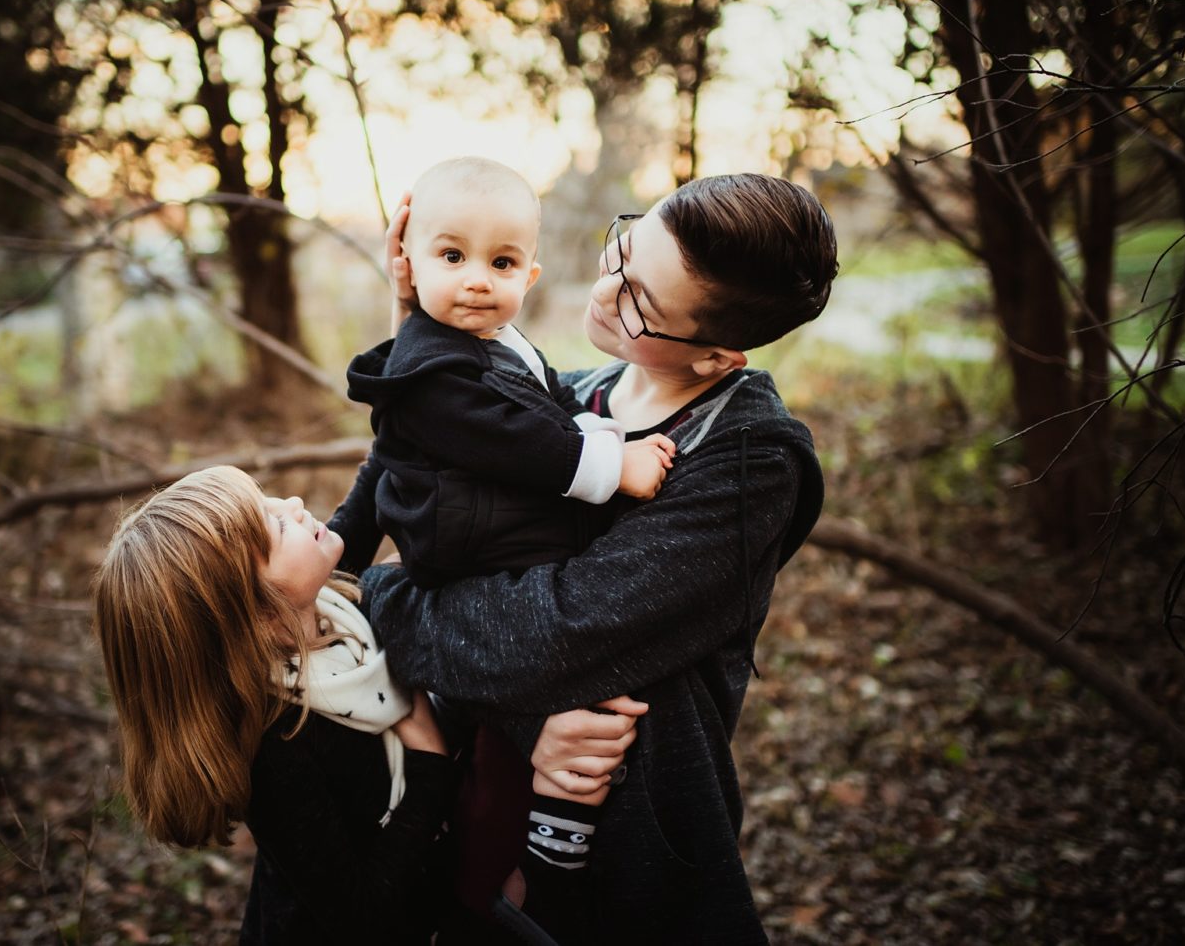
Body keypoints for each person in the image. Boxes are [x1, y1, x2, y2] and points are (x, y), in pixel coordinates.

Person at [345, 173, 839, 943]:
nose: (608, 288)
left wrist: (380, 594)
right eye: (624, 251)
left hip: (623, 848)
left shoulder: (747, 463)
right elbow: (423, 458)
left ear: (715, 357)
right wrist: (421, 322)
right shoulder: (575, 395)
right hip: (484, 795)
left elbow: (557, 630)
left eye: (641, 299)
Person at [90, 465, 640, 944]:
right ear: (255, 616)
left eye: (271, 500)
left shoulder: (329, 610)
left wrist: (410, 390)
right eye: (276, 525)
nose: (296, 505)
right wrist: (425, 760)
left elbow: (365, 498)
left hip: (442, 891)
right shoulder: (277, 748)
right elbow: (363, 920)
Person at [342, 156, 677, 590]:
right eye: (452, 256)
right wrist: (614, 467)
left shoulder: (499, 336)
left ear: (529, 278)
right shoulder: (428, 374)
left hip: (490, 517)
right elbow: (512, 438)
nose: (478, 280)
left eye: (502, 263)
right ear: (408, 266)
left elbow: (553, 395)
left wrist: (603, 437)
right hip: (462, 542)